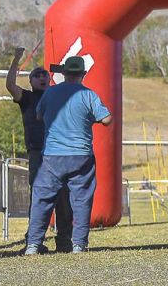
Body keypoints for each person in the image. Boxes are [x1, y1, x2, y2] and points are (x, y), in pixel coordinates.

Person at [24, 56, 112, 255]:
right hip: (81, 155)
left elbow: (38, 116)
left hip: (52, 156)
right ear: (83, 73)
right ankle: (79, 245)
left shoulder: (50, 93)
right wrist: (89, 117)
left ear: (63, 73)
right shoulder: (89, 95)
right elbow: (107, 119)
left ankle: (33, 244)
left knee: (42, 199)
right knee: (81, 200)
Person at [6, 47, 73, 253]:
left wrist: (66, 73)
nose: (42, 77)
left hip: (59, 152)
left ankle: (64, 241)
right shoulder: (26, 98)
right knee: (39, 197)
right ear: (31, 81)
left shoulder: (57, 95)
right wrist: (16, 59)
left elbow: (74, 90)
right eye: (37, 75)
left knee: (63, 196)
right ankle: (34, 242)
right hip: (38, 154)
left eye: (45, 74)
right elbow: (9, 85)